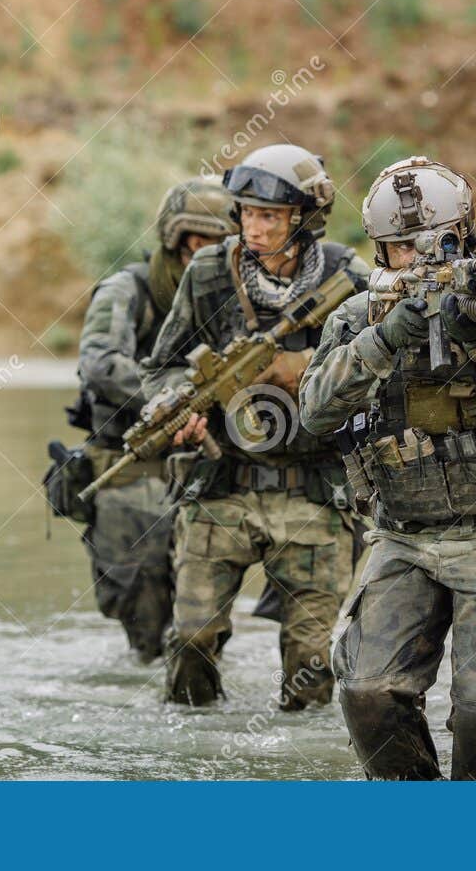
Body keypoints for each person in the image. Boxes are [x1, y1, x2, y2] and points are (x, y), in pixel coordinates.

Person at [298, 156, 476, 780]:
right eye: (401, 248)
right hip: (404, 534)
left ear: (463, 238)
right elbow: (314, 412)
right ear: (380, 251)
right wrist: (385, 338)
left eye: (435, 244)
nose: (417, 260)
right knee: (368, 693)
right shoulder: (358, 318)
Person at [142, 144, 369, 709]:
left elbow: (384, 374)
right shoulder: (208, 273)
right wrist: (176, 405)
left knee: (309, 661)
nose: (254, 227)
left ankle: (303, 757)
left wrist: (304, 369)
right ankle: (189, 745)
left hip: (314, 491)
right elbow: (161, 365)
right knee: (191, 640)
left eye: (270, 215)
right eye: (246, 212)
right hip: (223, 482)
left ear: (304, 219)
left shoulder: (350, 278)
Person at [70, 179, 235, 661]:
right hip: (133, 472)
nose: (203, 254)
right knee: (145, 621)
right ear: (172, 237)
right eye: (195, 241)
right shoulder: (128, 290)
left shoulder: (229, 297)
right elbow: (100, 363)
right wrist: (177, 393)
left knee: (202, 630)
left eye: (217, 244)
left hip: (206, 471)